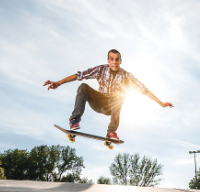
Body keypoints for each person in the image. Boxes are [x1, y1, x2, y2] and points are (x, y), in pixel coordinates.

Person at [44, 49, 173, 141]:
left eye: (117, 60)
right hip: (99, 102)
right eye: (112, 59)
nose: (114, 62)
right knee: (83, 87)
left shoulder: (127, 76)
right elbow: (80, 75)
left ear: (120, 61)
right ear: (108, 60)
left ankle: (111, 131)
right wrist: (59, 82)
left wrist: (160, 103)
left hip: (112, 106)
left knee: (122, 95)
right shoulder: (100, 69)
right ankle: (74, 120)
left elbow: (144, 89)